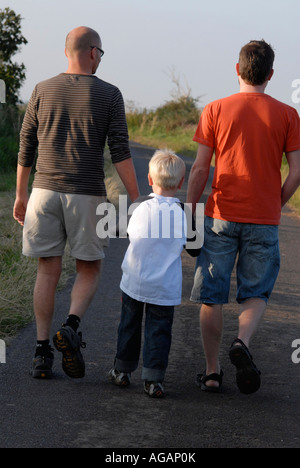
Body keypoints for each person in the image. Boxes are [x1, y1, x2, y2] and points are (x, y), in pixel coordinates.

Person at [13, 26, 140, 380]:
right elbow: (120, 150)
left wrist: (22, 193)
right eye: (100, 53)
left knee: (47, 271)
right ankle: (70, 327)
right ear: (91, 52)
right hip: (87, 195)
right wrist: (136, 197)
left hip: (43, 192)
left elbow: (26, 146)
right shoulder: (110, 94)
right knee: (89, 269)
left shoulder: (41, 89)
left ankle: (41, 352)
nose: (100, 58)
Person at [187, 40, 300, 394]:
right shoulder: (288, 115)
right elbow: (296, 172)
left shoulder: (215, 109)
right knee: (255, 293)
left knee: (212, 295)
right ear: (270, 74)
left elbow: (200, 169)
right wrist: (275, 204)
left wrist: (192, 212)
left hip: (220, 215)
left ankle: (211, 371)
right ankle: (242, 343)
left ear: (237, 70)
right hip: (263, 219)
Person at [109, 149, 200, 398]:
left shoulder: (139, 204)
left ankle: (122, 371)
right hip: (165, 287)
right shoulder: (185, 213)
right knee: (159, 331)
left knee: (128, 326)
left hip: (134, 282)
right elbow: (195, 248)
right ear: (181, 182)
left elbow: (124, 231)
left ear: (149, 179)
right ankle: (153, 380)